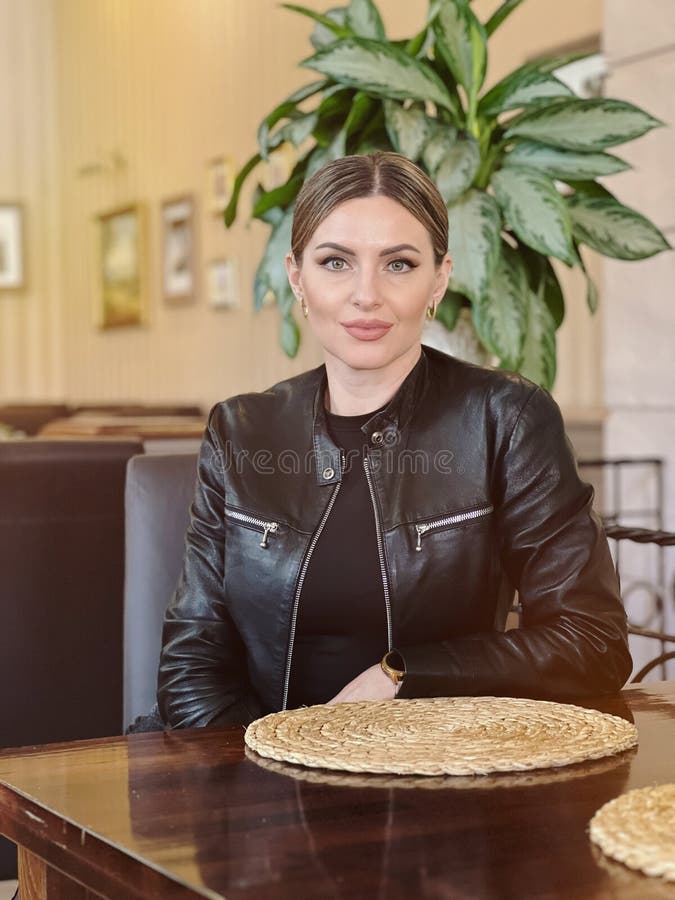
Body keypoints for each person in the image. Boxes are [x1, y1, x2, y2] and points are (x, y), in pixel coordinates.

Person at [157, 151, 631, 729]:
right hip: (258, 784)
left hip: (438, 775)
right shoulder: (240, 429)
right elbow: (192, 657)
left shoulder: (506, 417)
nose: (367, 294)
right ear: (297, 277)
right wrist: (261, 775)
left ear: (440, 278)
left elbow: (592, 640)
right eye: (336, 262)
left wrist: (406, 676)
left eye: (399, 264)